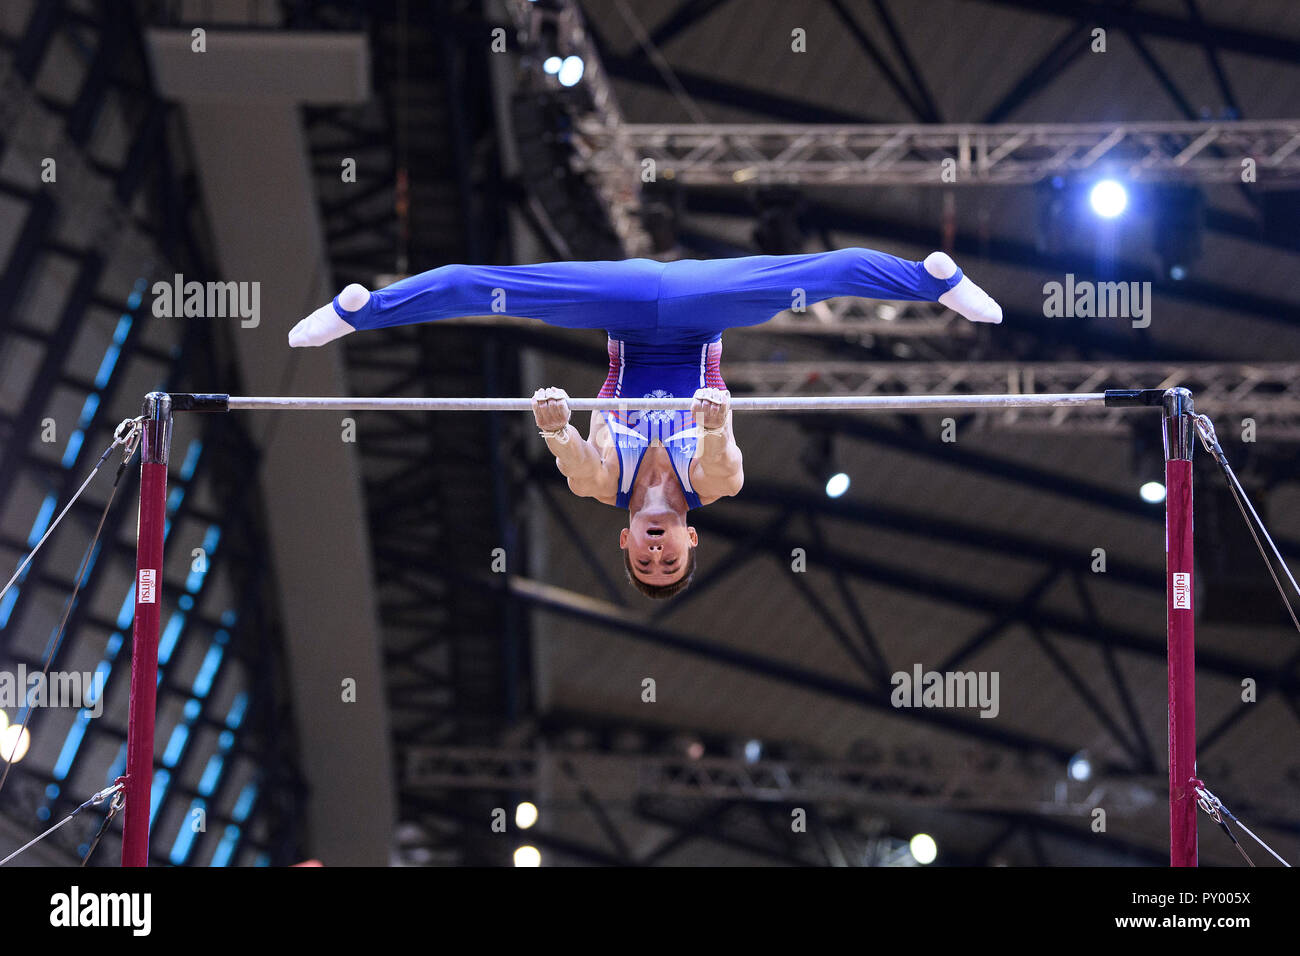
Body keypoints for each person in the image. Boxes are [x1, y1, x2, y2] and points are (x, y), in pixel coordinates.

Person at [289, 248, 1002, 598]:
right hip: (701, 307)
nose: (656, 551)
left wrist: (554, 426)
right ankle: (932, 280)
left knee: (493, 288)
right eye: (671, 557)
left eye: (642, 558)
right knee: (814, 275)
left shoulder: (607, 485)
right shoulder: (709, 483)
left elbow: (580, 464)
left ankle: (362, 309)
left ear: (625, 537)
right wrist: (717, 426)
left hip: (624, 303)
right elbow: (726, 465)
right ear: (691, 537)